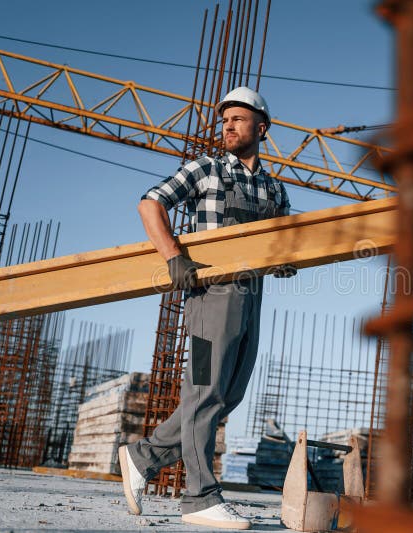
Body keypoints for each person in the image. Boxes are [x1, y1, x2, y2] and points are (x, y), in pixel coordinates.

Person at [118, 87, 293, 530]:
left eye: (238, 118)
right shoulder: (206, 169)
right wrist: (172, 254)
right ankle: (199, 497)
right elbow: (150, 201)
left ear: (262, 128)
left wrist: (288, 261)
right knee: (203, 393)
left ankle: (142, 457)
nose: (228, 125)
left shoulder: (275, 188)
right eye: (225, 119)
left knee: (226, 396)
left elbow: (284, 240)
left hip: (251, 298)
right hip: (209, 297)